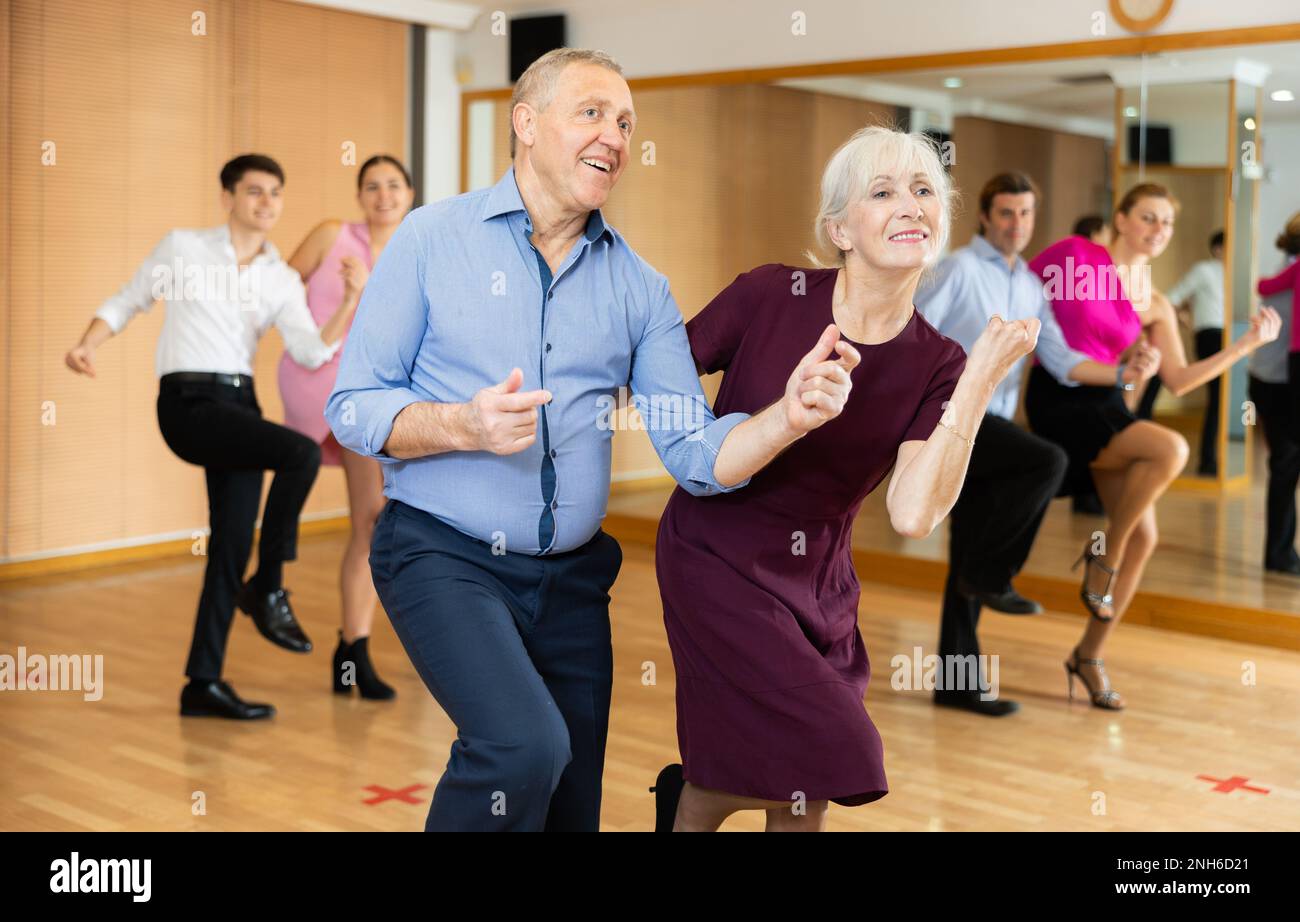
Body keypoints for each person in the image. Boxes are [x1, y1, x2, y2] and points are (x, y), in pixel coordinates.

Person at [324, 48, 854, 832]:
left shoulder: (640, 289)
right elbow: (353, 405)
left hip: (570, 583)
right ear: (526, 123)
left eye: (627, 123)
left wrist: (790, 415)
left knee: (572, 800)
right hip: (442, 553)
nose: (616, 135)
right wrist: (461, 424)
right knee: (521, 746)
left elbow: (694, 455)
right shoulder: (431, 240)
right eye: (593, 113)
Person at [651, 127, 1041, 832]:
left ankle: (682, 806)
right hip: (713, 556)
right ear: (840, 229)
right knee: (837, 747)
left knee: (791, 786)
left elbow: (913, 514)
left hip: (819, 578)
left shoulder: (940, 359)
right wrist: (764, 423)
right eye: (883, 192)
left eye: (924, 191)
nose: (910, 206)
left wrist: (979, 381)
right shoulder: (770, 293)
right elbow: (662, 377)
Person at [64, 154, 350, 719]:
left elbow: (311, 351)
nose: (266, 203)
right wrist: (89, 342)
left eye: (275, 193)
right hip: (189, 403)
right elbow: (129, 299)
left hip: (239, 405)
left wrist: (351, 301)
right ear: (227, 198)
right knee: (298, 451)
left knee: (230, 543)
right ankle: (267, 587)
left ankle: (203, 682)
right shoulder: (183, 248)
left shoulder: (279, 278)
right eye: (254, 192)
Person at [1025, 183, 1281, 710]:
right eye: (1147, 218)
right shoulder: (1080, 259)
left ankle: (1088, 655)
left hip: (1109, 407)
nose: (1158, 231)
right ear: (1120, 219)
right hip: (1061, 398)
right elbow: (1022, 283)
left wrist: (1246, 345)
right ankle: (1103, 559)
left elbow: (1182, 379)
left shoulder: (1157, 302)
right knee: (1170, 449)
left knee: (1147, 537)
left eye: (1166, 223)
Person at [915, 172, 1157, 717]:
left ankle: (957, 681)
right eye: (1005, 213)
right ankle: (996, 575)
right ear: (984, 216)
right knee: (1047, 460)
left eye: (1025, 214)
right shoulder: (958, 268)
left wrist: (1123, 372)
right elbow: (913, 331)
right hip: (951, 416)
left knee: (968, 547)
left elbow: (1062, 361)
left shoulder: (1028, 285)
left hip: (989, 422)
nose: (1016, 224)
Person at [280, 155, 415, 699]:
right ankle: (353, 648)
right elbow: (276, 292)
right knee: (373, 518)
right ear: (359, 195)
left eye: (393, 186)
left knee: (373, 520)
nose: (383, 195)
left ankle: (350, 650)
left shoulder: (418, 247)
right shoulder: (332, 235)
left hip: (383, 393)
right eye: (372, 186)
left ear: (409, 193)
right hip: (325, 382)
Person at [1148, 231, 1226, 474]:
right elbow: (1171, 298)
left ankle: (1210, 461)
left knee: (1220, 401)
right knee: (1217, 399)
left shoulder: (1235, 274)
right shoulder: (1205, 270)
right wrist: (1181, 318)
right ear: (1217, 249)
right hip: (1211, 336)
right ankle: (1208, 461)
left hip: (1228, 335)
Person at [1253, 213, 1300, 575]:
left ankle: (1281, 553)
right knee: (1285, 465)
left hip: (1275, 379)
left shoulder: (1284, 268)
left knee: (1284, 467)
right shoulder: (1289, 272)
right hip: (1278, 382)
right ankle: (1280, 554)